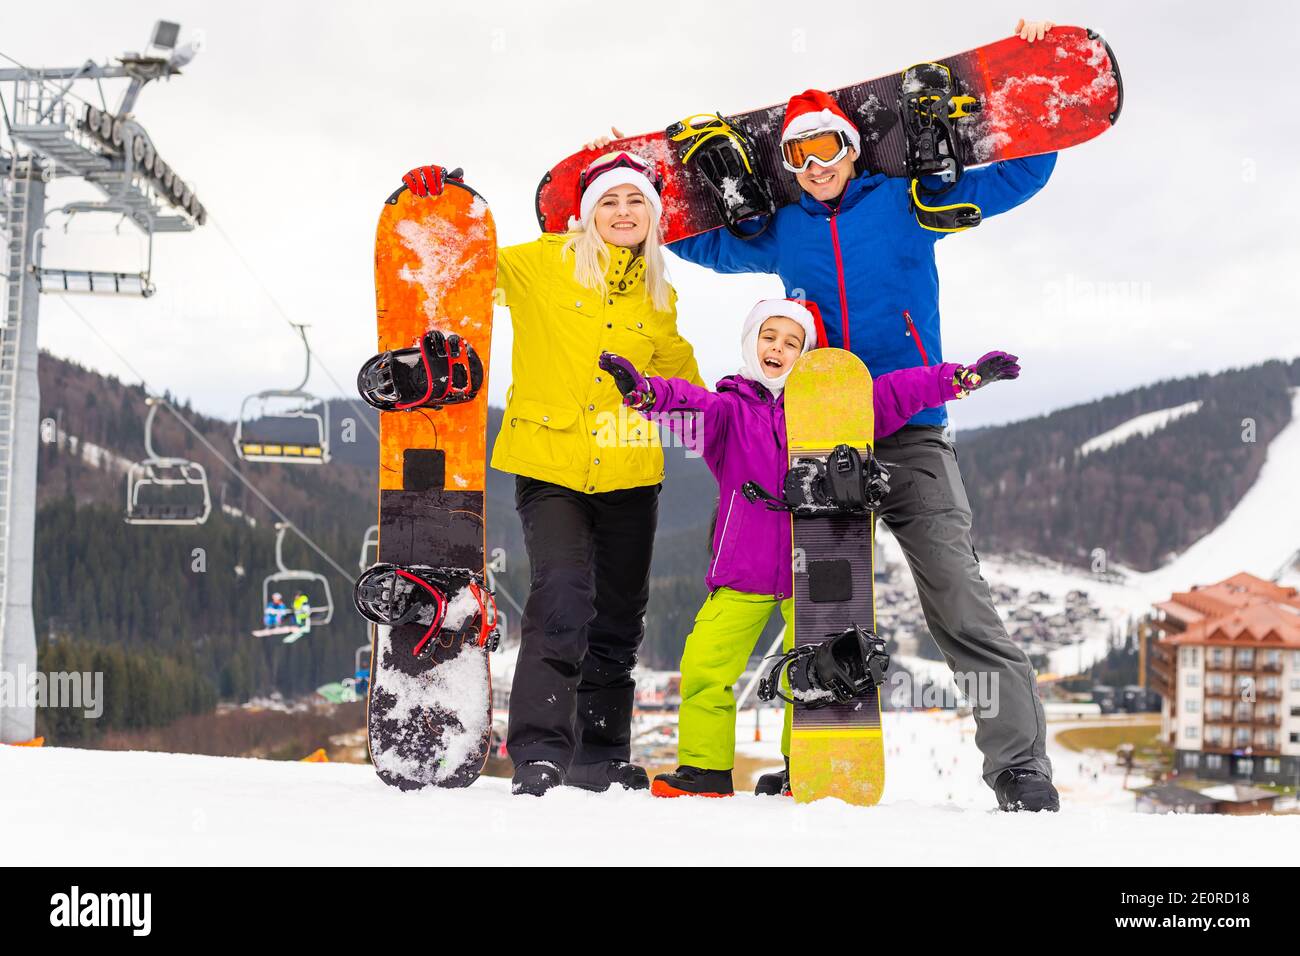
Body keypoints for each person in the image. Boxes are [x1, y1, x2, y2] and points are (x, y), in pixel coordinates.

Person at [590, 18, 1062, 811]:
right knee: (816, 604)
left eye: (826, 149)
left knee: (955, 592)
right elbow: (695, 242)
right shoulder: (782, 231)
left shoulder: (912, 201)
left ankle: (1019, 766)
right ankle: (806, 755)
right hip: (811, 442)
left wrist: (1032, 80)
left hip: (907, 430)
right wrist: (637, 176)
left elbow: (1018, 178)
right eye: (798, 155)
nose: (813, 167)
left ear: (851, 148)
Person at [599, 298, 1020, 796]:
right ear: (751, 343)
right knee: (705, 665)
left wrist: (961, 379)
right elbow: (685, 405)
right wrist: (646, 393)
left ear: (807, 353)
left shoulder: (835, 409)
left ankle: (804, 766)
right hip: (743, 571)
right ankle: (705, 769)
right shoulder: (728, 412)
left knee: (816, 669)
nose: (778, 348)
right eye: (769, 337)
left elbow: (899, 392)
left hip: (816, 572)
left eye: (792, 342)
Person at [402, 150, 703, 797]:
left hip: (630, 470)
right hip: (550, 464)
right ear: (588, 212)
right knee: (563, 596)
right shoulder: (544, 262)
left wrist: (742, 422)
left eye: (635, 203)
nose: (623, 213)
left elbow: (687, 389)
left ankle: (599, 760)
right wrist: (436, 209)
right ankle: (538, 751)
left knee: (619, 621)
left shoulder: (659, 294)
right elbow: (470, 268)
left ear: (652, 217)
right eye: (610, 202)